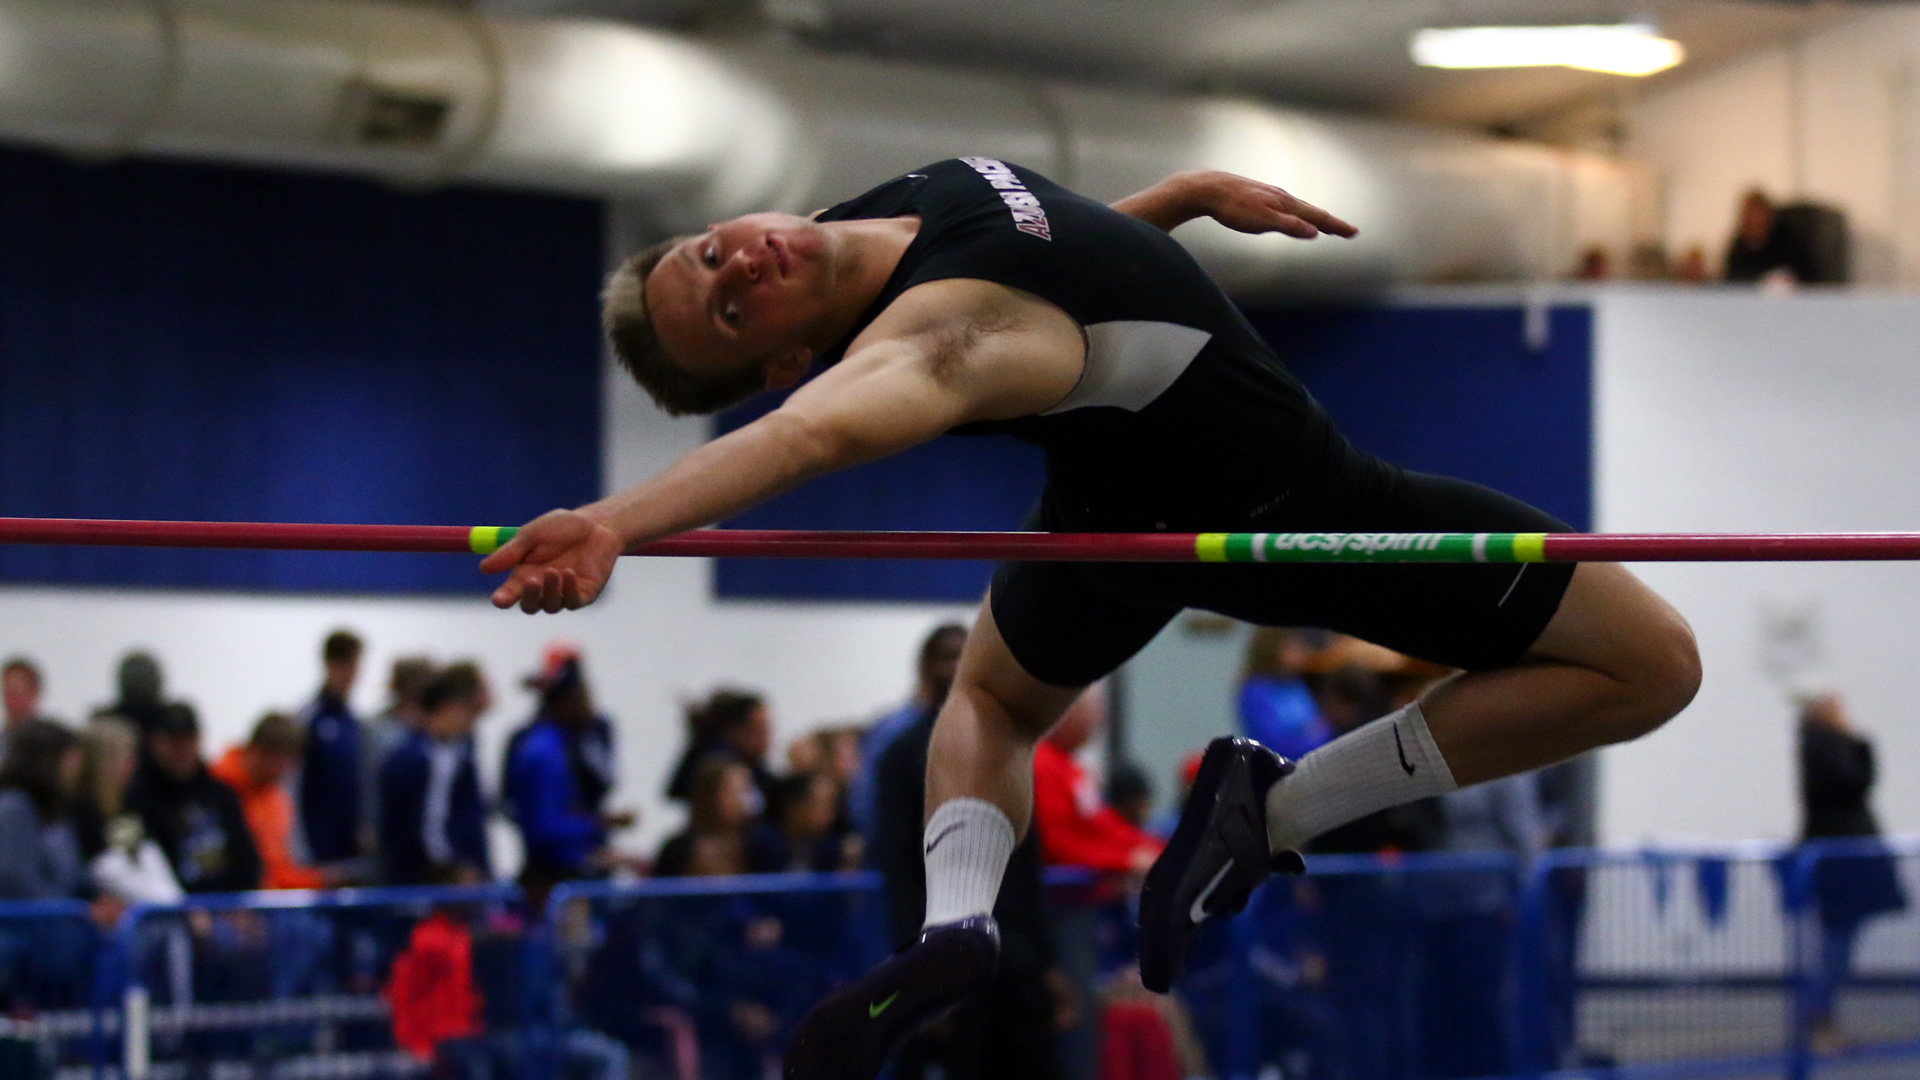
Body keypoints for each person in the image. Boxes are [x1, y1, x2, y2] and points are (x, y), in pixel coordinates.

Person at [476, 158, 1701, 1077]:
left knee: (994, 701)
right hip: (1292, 516)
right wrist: (619, 522)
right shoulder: (934, 343)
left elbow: (1054, 251)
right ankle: (1274, 810)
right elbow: (812, 436)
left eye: (707, 256)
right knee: (1649, 667)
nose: (740, 267)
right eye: (734, 315)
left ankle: (958, 925)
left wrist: (1170, 200)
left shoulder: (872, 219)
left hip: (1107, 523)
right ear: (793, 357)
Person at [871, 672, 1064, 1080]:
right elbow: (901, 869)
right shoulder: (903, 756)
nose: (951, 668)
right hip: (946, 951)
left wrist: (1048, 960)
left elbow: (1028, 861)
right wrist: (916, 968)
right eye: (941, 659)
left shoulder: (1009, 748)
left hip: (1014, 948)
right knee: (962, 1062)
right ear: (924, 674)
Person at [1797, 690, 1906, 1048]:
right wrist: (1853, 738)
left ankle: (1819, 1019)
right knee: (1835, 946)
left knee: (1836, 945)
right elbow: (1855, 782)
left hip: (1844, 856)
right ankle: (1818, 1022)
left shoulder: (1823, 745)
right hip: (1840, 859)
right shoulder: (1822, 746)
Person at [502, 650, 634, 909]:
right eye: (580, 697)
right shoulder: (542, 751)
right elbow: (544, 824)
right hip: (559, 874)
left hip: (580, 865)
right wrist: (598, 824)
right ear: (562, 702)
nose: (588, 706)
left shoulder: (580, 738)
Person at [123, 703, 262, 894]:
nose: (181, 750)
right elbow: (139, 865)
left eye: (187, 740)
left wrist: (242, 902)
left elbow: (247, 856)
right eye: (172, 741)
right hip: (168, 911)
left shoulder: (222, 794)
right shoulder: (136, 799)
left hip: (228, 906)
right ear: (153, 742)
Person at [849, 624, 968, 838]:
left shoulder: (981, 733)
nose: (956, 667)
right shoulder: (892, 731)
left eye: (964, 658)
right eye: (948, 658)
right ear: (925, 666)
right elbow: (866, 800)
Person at [379, 663, 493, 887]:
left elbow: (470, 820)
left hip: (456, 874)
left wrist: (477, 867)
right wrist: (446, 868)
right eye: (465, 709)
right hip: (418, 879)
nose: (469, 719)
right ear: (446, 707)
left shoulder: (460, 758)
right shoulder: (408, 760)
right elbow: (413, 826)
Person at [210, 713, 339, 890]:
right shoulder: (214, 789)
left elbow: (279, 868)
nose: (286, 770)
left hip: (272, 902)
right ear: (259, 751)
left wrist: (318, 880)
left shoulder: (277, 799)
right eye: (283, 761)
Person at [298, 629, 366, 869]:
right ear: (329, 664)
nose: (351, 673)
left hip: (352, 849)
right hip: (317, 851)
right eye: (344, 664)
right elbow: (294, 784)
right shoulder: (308, 719)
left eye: (354, 665)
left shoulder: (355, 722)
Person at [362, 654, 436, 868]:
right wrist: (368, 826)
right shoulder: (376, 730)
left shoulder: (434, 731)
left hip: (425, 828)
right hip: (389, 831)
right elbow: (368, 783)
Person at [664, 688, 778, 814]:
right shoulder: (716, 760)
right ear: (735, 731)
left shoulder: (750, 763)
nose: (767, 738)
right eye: (760, 730)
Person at [1236, 627, 1334, 762]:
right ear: (1273, 648)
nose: (1301, 651)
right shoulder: (1256, 692)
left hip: (1314, 760)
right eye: (1293, 645)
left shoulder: (1296, 685)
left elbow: (1322, 726)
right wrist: (1313, 736)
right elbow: (1275, 745)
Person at [0, 658, 51, 766]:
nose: (11, 700)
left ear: (34, 692)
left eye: (17, 693)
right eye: (7, 692)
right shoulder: (3, 742)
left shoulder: (52, 743)